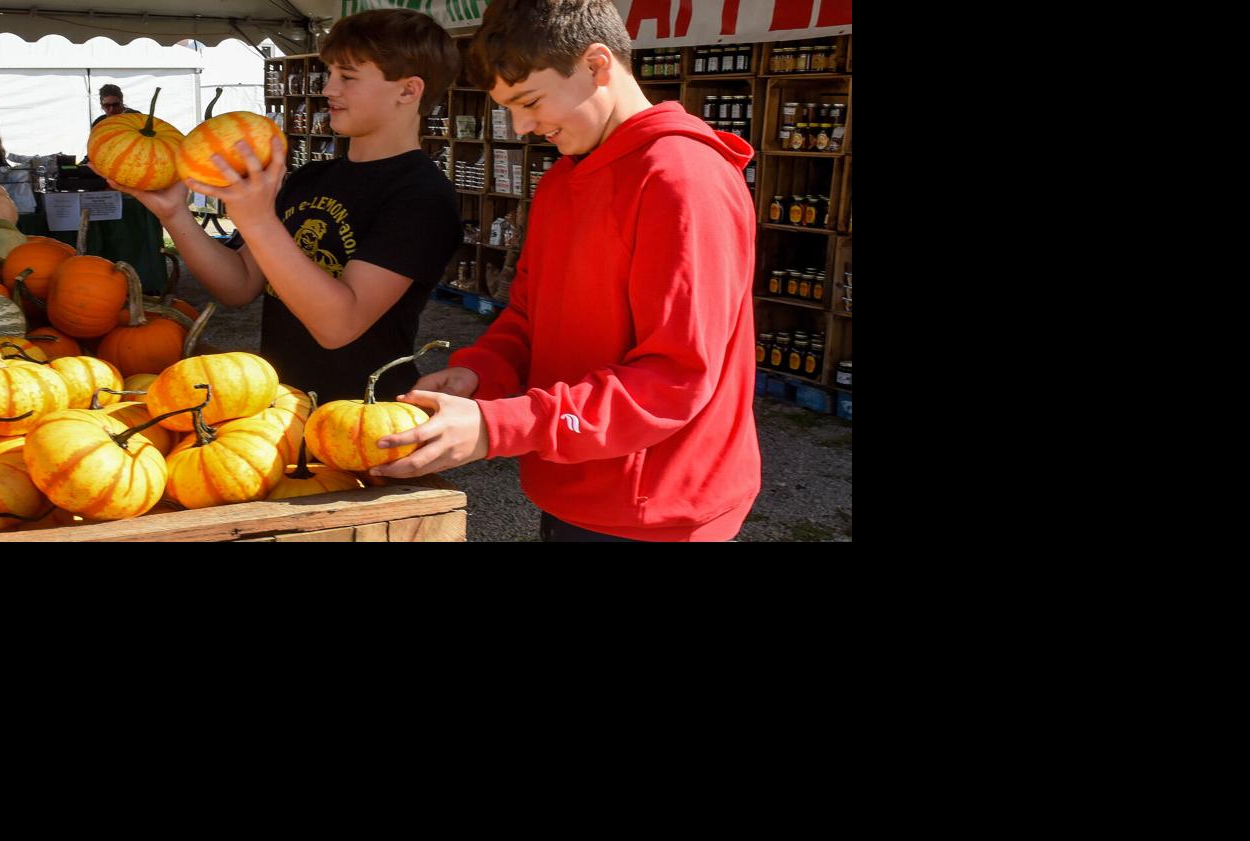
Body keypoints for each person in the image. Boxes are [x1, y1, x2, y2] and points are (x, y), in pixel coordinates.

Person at [370, 0, 761, 543]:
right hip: (572, 480)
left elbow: (675, 378)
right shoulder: (561, 181)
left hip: (657, 509)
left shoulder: (681, 179)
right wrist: (482, 373)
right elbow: (531, 314)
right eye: (507, 108)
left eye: (529, 101)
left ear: (598, 65)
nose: (523, 126)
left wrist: (498, 427)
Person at [97, 8, 461, 404]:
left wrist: (257, 220)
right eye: (330, 74)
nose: (328, 89)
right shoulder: (309, 179)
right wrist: (174, 213)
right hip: (279, 405)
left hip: (365, 417)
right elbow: (238, 286)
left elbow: (339, 324)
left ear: (408, 91)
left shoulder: (422, 197)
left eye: (348, 77)